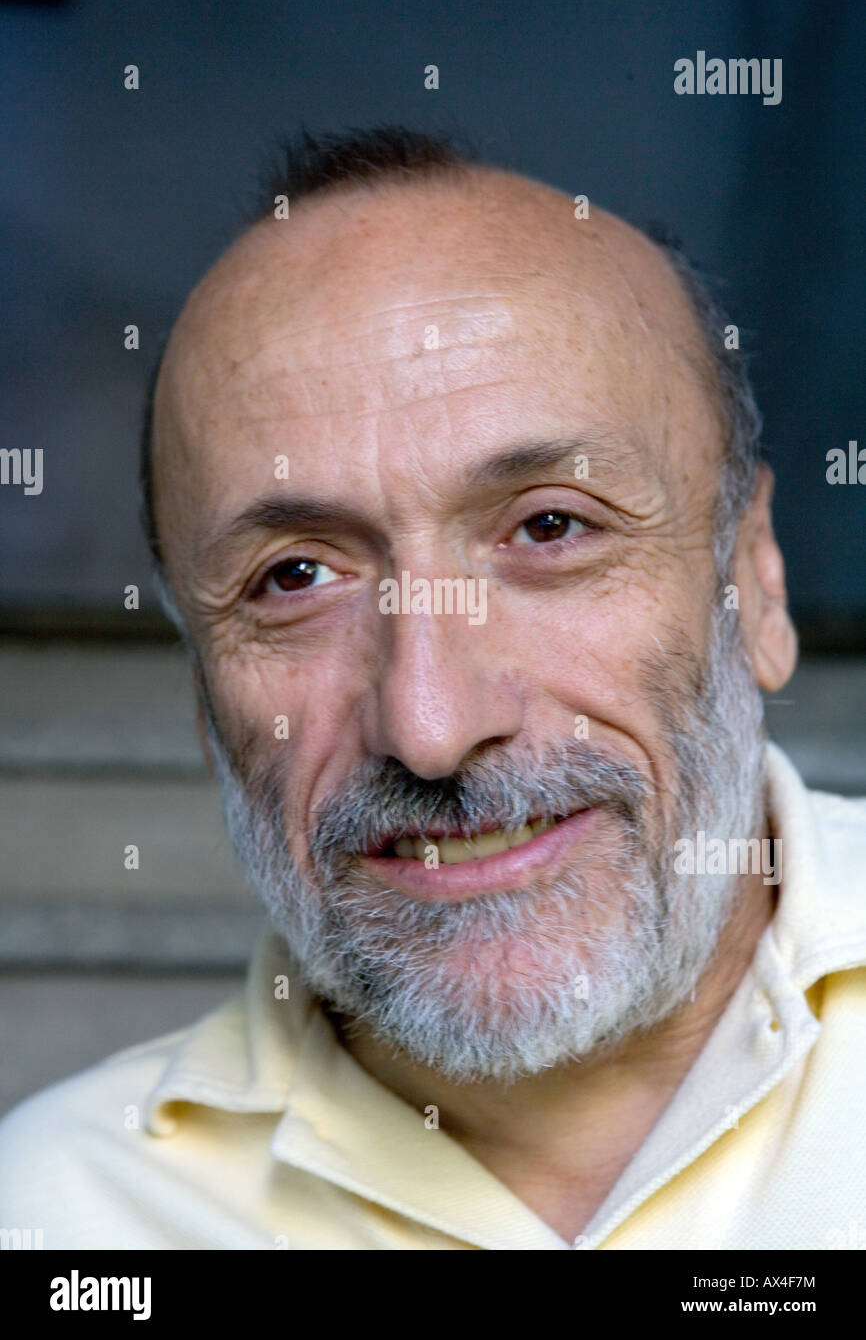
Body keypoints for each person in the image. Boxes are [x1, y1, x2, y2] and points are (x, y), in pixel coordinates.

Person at [1, 127, 864, 1251]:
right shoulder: (56, 1218)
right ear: (204, 699)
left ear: (751, 577)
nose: (430, 724)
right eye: (294, 577)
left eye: (549, 527)